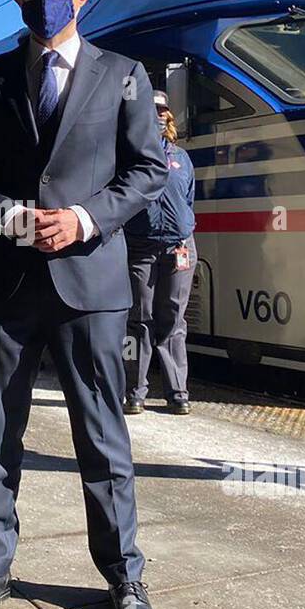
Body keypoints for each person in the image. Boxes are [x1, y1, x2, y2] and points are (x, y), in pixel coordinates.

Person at [0, 0, 167, 609]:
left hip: (91, 284)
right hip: (6, 285)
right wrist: (8, 214)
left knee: (102, 437)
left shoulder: (123, 74)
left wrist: (81, 217)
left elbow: (147, 171)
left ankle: (123, 576)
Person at [123, 88, 197, 416]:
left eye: (163, 109)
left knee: (173, 320)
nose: (158, 115)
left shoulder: (182, 159)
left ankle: (177, 393)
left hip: (179, 246)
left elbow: (189, 199)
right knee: (138, 319)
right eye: (151, 110)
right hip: (140, 246)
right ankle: (133, 392)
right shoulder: (128, 156)